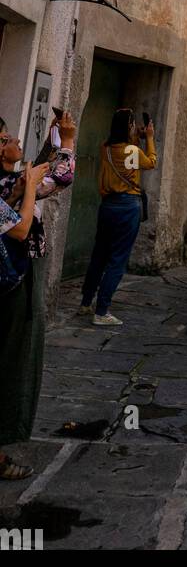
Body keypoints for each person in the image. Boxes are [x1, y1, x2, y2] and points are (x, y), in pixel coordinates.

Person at [1, 110, 76, 481]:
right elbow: (59, 177)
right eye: (7, 139)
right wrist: (70, 141)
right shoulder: (8, 184)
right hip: (12, 280)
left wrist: (55, 141)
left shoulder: (9, 181)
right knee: (13, 360)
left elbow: (45, 169)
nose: (15, 140)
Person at [79, 108, 155, 325]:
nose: (135, 128)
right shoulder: (131, 150)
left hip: (108, 206)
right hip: (127, 206)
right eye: (132, 125)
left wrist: (135, 136)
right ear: (128, 127)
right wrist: (149, 138)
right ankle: (102, 311)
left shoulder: (106, 148)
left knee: (99, 255)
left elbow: (127, 155)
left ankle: (86, 303)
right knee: (117, 260)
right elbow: (150, 162)